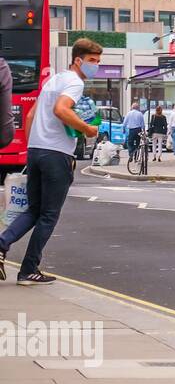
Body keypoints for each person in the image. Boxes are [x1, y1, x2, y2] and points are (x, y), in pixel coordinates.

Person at [0, 37, 102, 284]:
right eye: (92, 60)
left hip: (36, 151)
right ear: (78, 60)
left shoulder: (53, 80)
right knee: (49, 215)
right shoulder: (75, 82)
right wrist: (87, 129)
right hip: (56, 154)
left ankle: (1, 244)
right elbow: (61, 109)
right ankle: (28, 269)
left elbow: (31, 115)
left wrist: (31, 147)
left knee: (34, 210)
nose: (96, 65)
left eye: (98, 61)